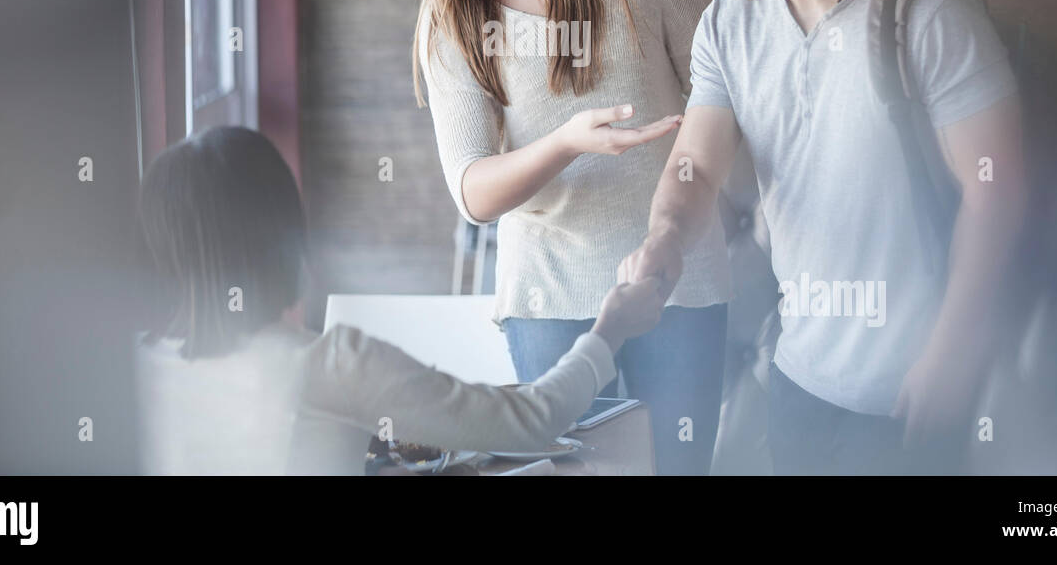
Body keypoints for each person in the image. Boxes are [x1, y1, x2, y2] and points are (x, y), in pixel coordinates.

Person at [618, 0, 1028, 474]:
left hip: (917, 390)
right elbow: (695, 166)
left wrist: (952, 353)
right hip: (800, 381)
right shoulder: (727, 23)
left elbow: (1002, 189)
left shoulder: (927, 8)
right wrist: (662, 240)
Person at [413, 0, 733, 475]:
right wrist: (564, 143)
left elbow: (717, 92)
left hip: (679, 277)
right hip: (550, 297)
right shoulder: (454, 7)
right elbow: (472, 191)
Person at [132, 125, 666, 475]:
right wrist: (611, 327)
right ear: (282, 232)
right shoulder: (332, 365)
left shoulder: (128, 364)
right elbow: (534, 419)